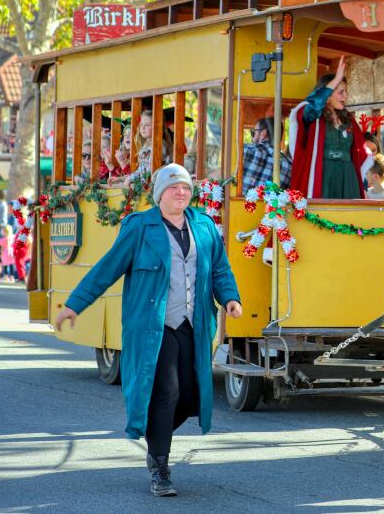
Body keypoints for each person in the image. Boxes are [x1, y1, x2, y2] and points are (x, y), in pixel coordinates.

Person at [54, 164, 243, 497]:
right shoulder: (140, 227)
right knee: (167, 391)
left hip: (195, 323)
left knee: (191, 395)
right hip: (153, 325)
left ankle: (155, 432)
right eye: (173, 187)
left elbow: (220, 269)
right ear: (159, 194)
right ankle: (160, 466)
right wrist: (75, 304)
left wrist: (230, 297)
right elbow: (107, 268)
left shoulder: (204, 226)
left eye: (185, 187)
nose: (181, 193)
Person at [290, 57, 368, 199]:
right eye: (341, 92)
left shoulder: (348, 119)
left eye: (345, 91)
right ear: (327, 94)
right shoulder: (313, 117)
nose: (345, 96)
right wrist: (336, 79)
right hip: (323, 174)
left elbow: (360, 151)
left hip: (348, 176)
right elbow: (314, 104)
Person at [242, 118, 292, 190]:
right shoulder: (289, 166)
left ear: (263, 134)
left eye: (253, 133)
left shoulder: (244, 150)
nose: (252, 139)